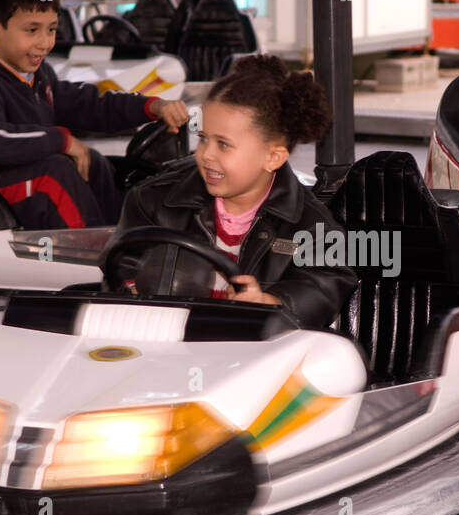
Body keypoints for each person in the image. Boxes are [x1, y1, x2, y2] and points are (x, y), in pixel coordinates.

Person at [0, 0, 190, 229]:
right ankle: (97, 263)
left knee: (93, 162)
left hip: (9, 177)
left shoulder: (39, 76)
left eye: (51, 29)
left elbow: (88, 105)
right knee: (54, 175)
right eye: (31, 30)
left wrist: (151, 106)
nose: (44, 43)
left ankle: (132, 243)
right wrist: (61, 140)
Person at [117, 55, 357, 330]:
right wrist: (131, 289)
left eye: (224, 145)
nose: (206, 154)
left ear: (272, 158)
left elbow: (323, 285)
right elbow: (123, 262)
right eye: (203, 138)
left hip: (248, 353)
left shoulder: (310, 227)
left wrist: (270, 302)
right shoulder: (154, 200)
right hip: (158, 344)